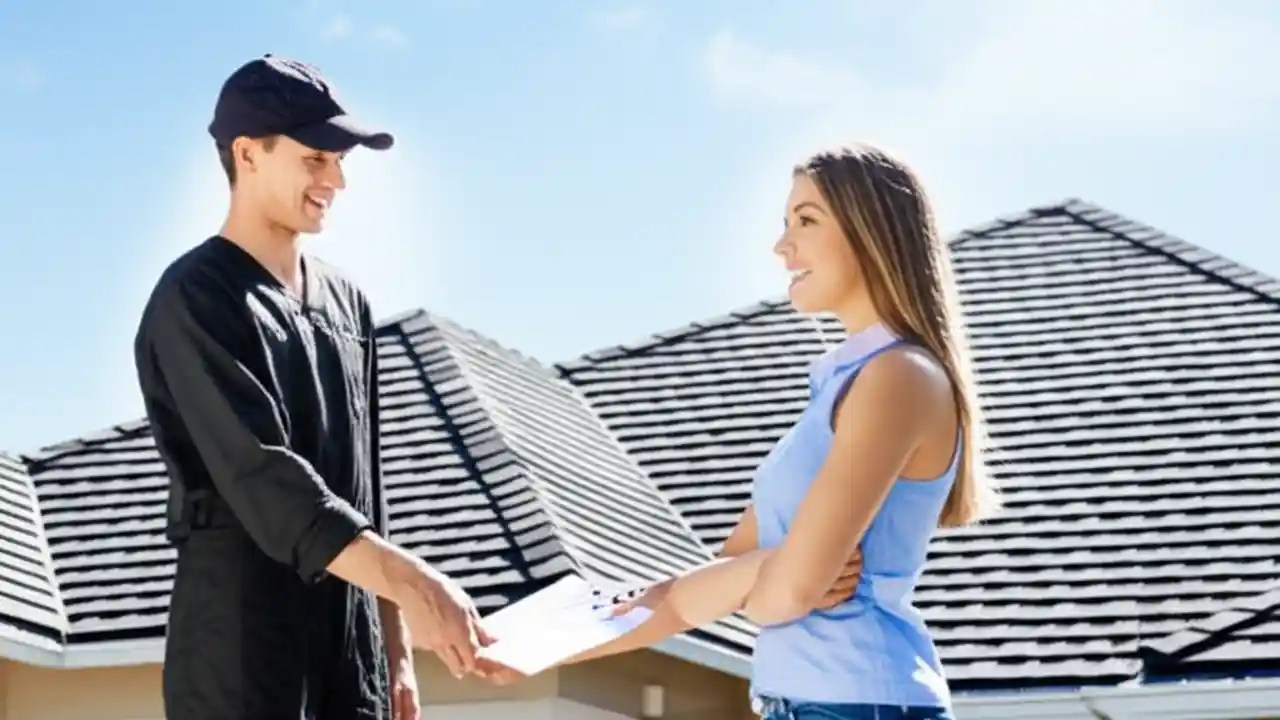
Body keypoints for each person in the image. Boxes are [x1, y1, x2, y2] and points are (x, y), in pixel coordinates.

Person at [479, 143, 998, 720]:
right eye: (785, 223)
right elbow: (716, 585)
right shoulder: (841, 383)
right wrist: (541, 649)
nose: (782, 245)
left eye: (806, 220)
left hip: (860, 701)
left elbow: (785, 595)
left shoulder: (899, 376)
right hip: (805, 703)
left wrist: (765, 579)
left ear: (871, 231)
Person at [133, 55, 491, 720]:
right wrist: (415, 583)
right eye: (316, 158)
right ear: (248, 154)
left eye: (340, 160)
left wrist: (395, 655)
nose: (337, 179)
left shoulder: (347, 304)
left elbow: (367, 489)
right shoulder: (197, 299)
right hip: (245, 644)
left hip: (350, 646)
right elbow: (264, 479)